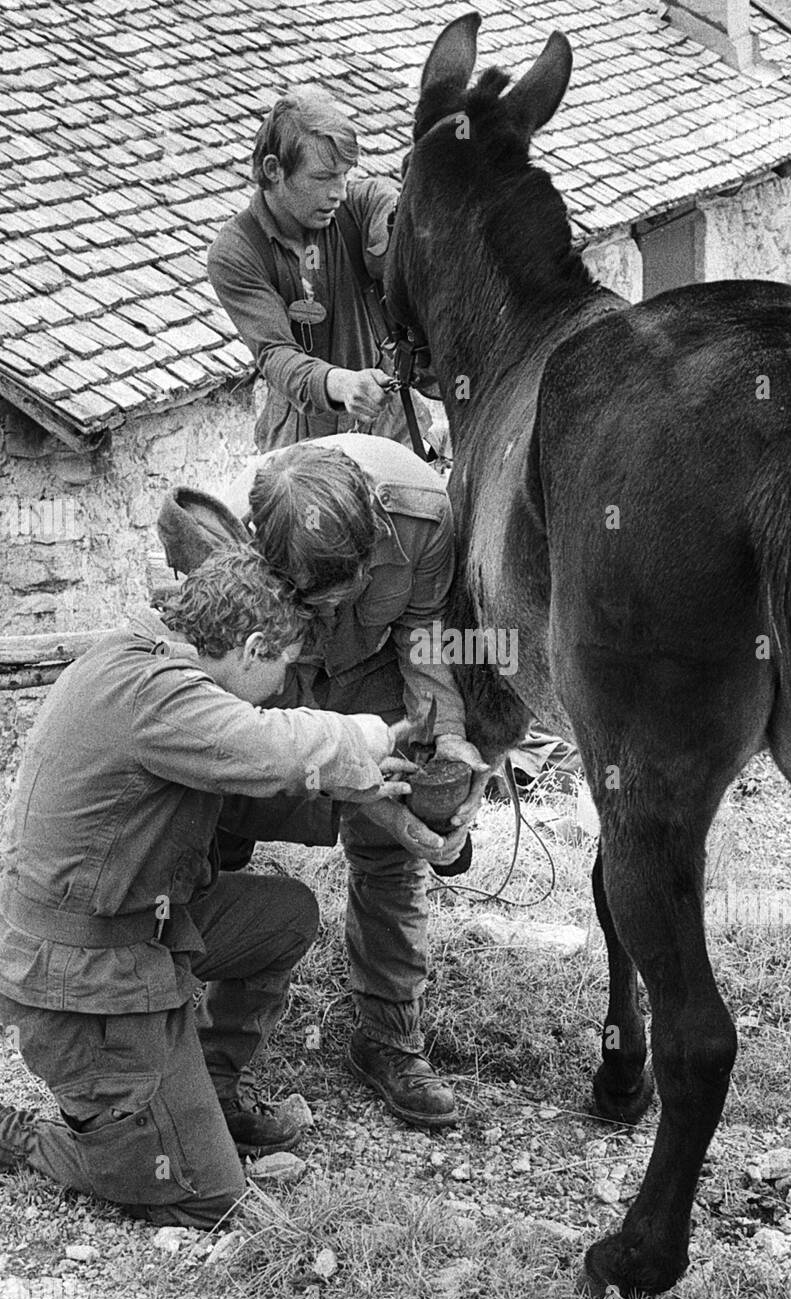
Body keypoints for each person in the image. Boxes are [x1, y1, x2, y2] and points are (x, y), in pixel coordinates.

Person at [0, 547, 409, 1229]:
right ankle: (27, 1139)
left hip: (136, 934)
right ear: (251, 646)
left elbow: (244, 790)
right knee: (204, 1195)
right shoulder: (155, 691)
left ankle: (214, 1092)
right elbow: (269, 745)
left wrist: (363, 783)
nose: (283, 684)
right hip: (83, 982)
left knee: (284, 916)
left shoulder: (144, 659)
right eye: (282, 665)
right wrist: (358, 734)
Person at [160, 436, 493, 1129]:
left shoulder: (422, 516)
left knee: (391, 845)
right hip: (268, 678)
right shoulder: (233, 534)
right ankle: (177, 1018)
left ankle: (388, 1038)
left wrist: (449, 732)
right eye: (318, 597)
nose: (338, 609)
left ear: (376, 534)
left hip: (375, 677)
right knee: (212, 823)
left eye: (353, 586)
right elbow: (218, 670)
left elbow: (426, 636)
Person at [207, 86, 434, 453]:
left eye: (344, 176)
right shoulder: (236, 252)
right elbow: (276, 354)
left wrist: (404, 231)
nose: (339, 192)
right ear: (273, 170)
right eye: (323, 178)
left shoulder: (362, 206)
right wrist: (341, 384)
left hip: (393, 431)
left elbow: (397, 248)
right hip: (304, 451)